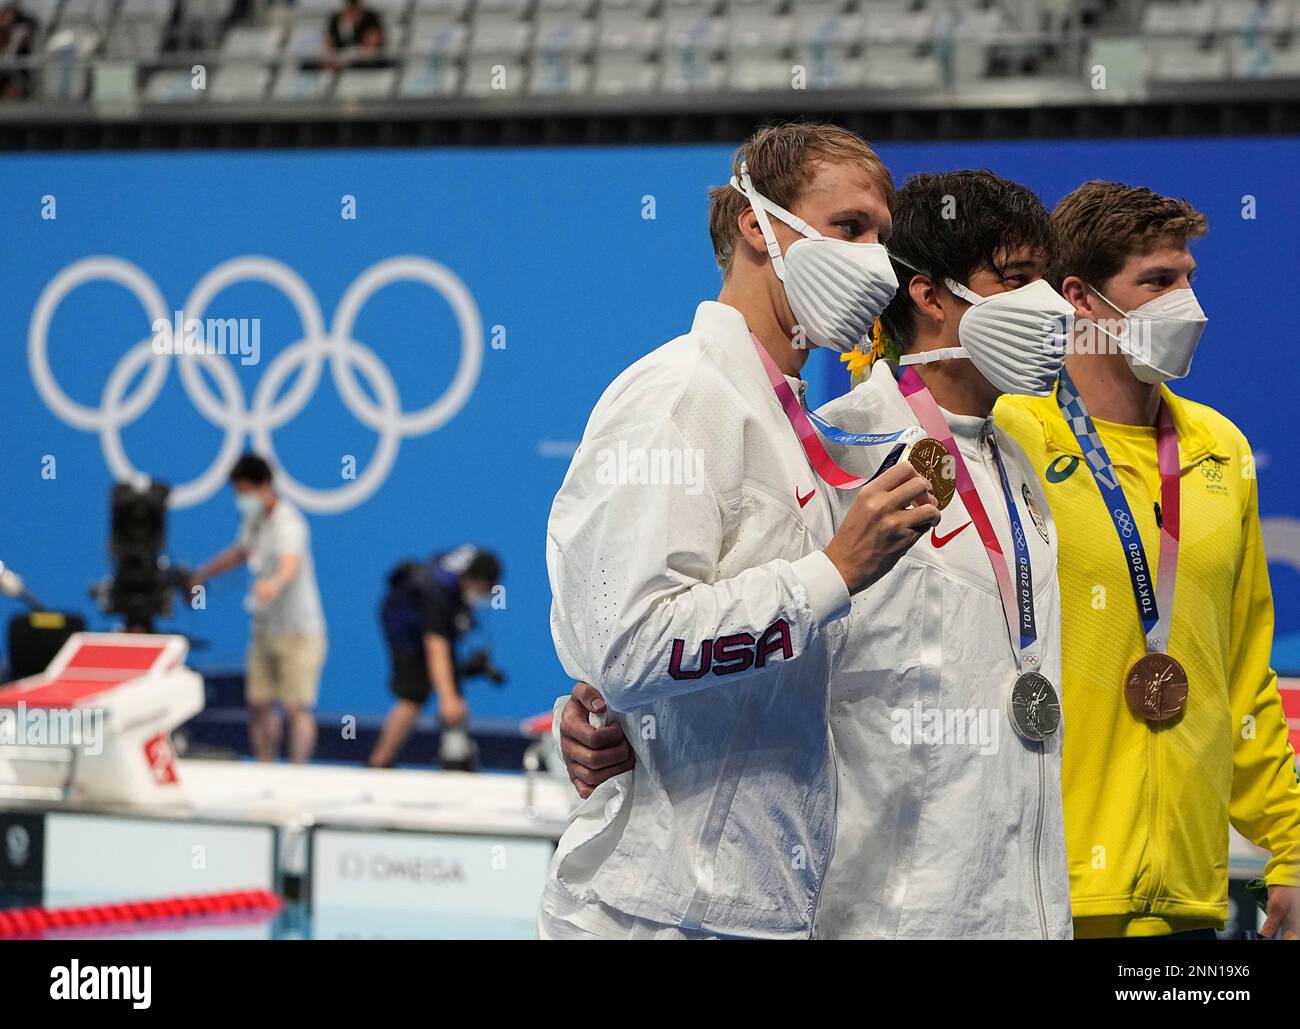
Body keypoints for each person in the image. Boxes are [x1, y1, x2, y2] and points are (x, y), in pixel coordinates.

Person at [557, 169, 1080, 938]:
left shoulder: (1022, 467)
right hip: (869, 908)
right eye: (1017, 280)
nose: (1052, 309)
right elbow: (650, 623)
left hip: (1019, 904)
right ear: (931, 296)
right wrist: (605, 709)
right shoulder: (838, 449)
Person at [540, 122, 939, 939]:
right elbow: (630, 641)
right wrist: (832, 572)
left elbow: (652, 668)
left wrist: (594, 712)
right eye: (849, 228)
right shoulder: (679, 397)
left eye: (883, 239)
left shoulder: (793, 421)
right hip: (650, 909)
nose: (875, 263)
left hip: (754, 901)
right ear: (759, 227)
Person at [995, 181, 1300, 939]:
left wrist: (1290, 846)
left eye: (1190, 278)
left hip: (1188, 896)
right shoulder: (1009, 435)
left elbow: (1242, 673)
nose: (1186, 302)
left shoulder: (1219, 450)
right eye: (1159, 282)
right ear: (1082, 298)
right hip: (1040, 891)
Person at [190, 454, 327, 764]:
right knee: (259, 702)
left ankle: (297, 772)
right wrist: (203, 573)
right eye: (238, 492)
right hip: (265, 629)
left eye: (245, 491)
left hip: (300, 632)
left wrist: (274, 584)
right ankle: (266, 768)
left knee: (295, 707)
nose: (241, 498)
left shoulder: (289, 522)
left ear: (265, 486)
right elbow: (240, 552)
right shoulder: (255, 520)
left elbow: (290, 564)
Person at [368, 545, 502, 771]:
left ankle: (455, 750)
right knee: (414, 693)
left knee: (450, 684)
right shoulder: (437, 594)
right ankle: (379, 762)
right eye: (485, 590)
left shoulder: (465, 569)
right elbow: (436, 647)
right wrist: (447, 699)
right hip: (404, 629)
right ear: (475, 581)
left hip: (427, 624)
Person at [323, 0, 385, 70]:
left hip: (368, 65)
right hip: (341, 63)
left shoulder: (371, 18)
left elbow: (372, 45)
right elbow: (329, 45)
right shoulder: (336, 19)